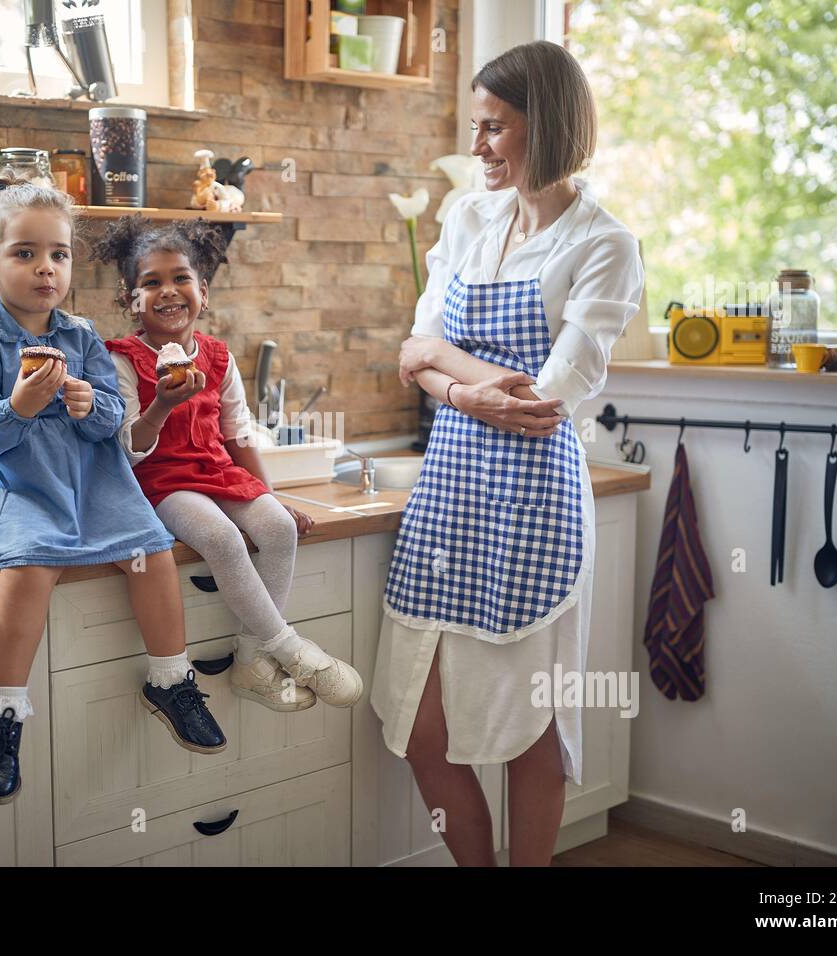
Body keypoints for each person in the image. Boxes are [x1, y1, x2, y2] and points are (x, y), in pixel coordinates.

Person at [377, 40, 646, 865]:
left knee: (534, 728)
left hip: (534, 504)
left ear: (549, 125)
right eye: (475, 127)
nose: (479, 147)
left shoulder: (603, 244)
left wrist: (446, 367)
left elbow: (547, 400)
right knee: (422, 728)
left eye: (496, 129)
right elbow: (409, 351)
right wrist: (469, 388)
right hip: (450, 489)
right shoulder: (469, 217)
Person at [0, 176, 228, 806]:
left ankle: (170, 679)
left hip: (87, 482)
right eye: (25, 253)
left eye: (59, 254)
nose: (45, 268)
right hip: (14, 484)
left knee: (150, 550)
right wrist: (18, 406)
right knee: (30, 561)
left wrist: (85, 403)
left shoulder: (81, 337)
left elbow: (110, 420)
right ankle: (4, 716)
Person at [95, 215, 364, 711]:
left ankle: (251, 663)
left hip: (217, 471)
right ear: (129, 300)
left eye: (181, 278)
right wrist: (163, 405)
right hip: (161, 481)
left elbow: (238, 434)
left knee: (279, 528)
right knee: (221, 538)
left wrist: (271, 496)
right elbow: (130, 447)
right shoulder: (122, 359)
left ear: (204, 290)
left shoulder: (218, 357)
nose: (168, 291)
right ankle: (291, 650)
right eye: (150, 283)